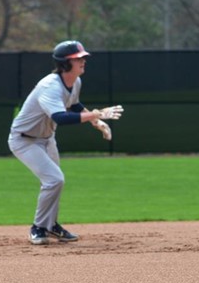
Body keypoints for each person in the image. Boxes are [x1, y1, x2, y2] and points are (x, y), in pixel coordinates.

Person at [9, 40, 123, 245]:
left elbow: (75, 105)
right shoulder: (49, 86)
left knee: (54, 183)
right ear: (64, 63)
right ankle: (38, 228)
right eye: (78, 58)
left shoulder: (74, 82)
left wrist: (96, 121)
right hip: (24, 140)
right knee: (54, 179)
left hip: (46, 138)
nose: (83, 61)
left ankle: (51, 225)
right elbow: (61, 117)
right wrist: (97, 113)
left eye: (83, 57)